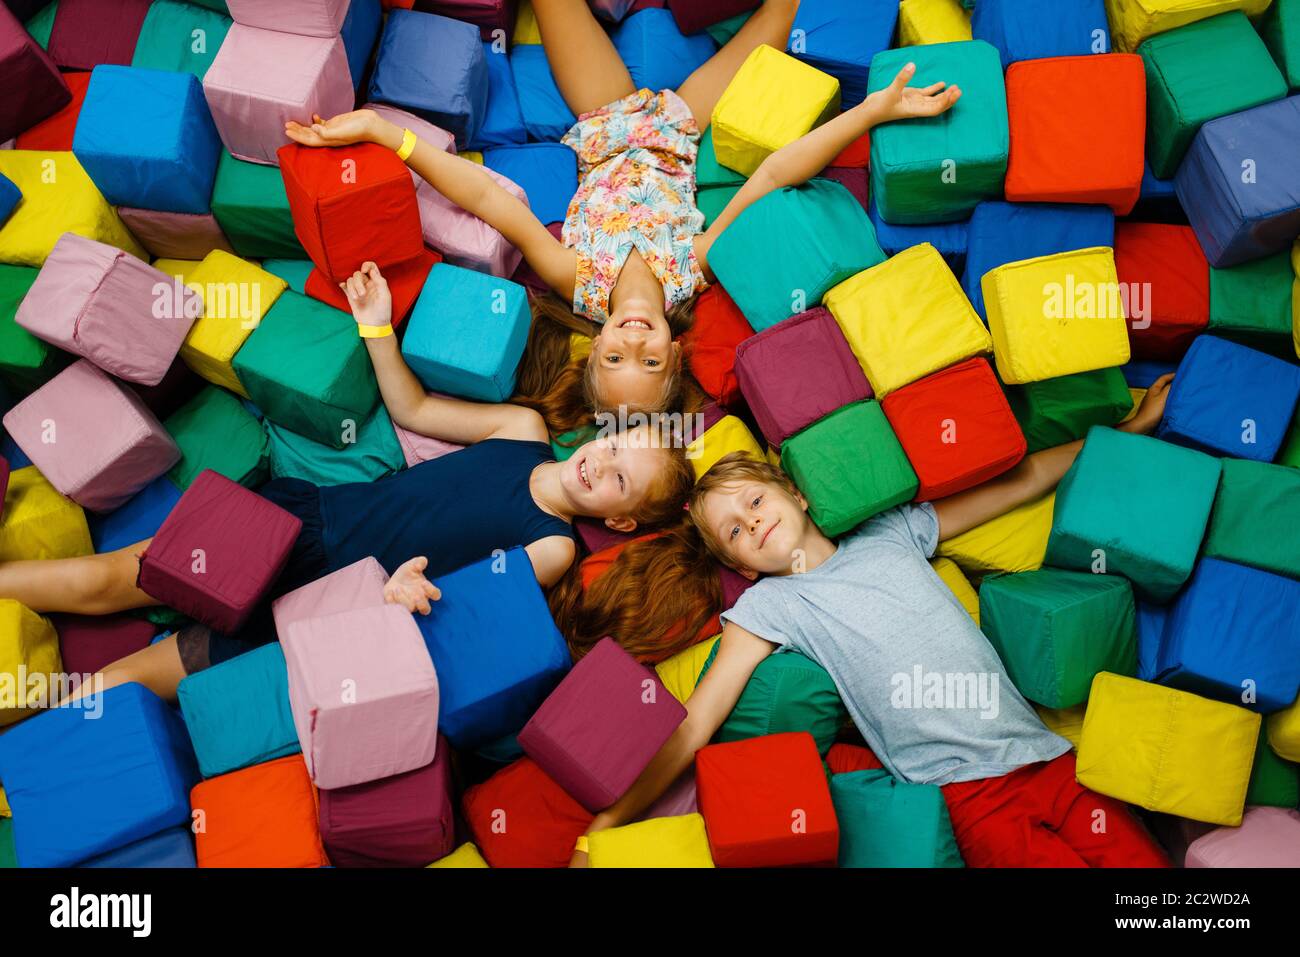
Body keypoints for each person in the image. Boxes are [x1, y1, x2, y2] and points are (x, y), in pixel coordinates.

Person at [0, 264, 694, 704]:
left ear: (623, 521)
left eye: (619, 482)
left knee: (145, 676)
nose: (600, 466)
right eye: (615, 448)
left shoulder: (555, 546)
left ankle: (34, 744)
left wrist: (405, 597)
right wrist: (376, 330)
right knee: (108, 578)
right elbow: (415, 411)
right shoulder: (522, 431)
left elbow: (458, 604)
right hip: (304, 525)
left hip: (328, 609)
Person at [566, 376, 1178, 868]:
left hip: (1050, 759)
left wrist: (1127, 428)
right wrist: (609, 822)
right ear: (739, 566)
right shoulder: (768, 606)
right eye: (735, 532)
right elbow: (696, 722)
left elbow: (1020, 481)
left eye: (755, 502)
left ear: (796, 495)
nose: (752, 523)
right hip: (969, 794)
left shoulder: (890, 532)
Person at [284, 0, 962, 430]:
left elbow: (490, 199)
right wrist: (869, 111)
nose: (634, 338)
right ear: (674, 355)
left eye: (615, 355)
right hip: (682, 122)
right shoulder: (690, 273)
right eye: (648, 358)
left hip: (604, 117)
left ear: (594, 346)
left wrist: (388, 134)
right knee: (784, 11)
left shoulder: (572, 273)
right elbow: (775, 174)